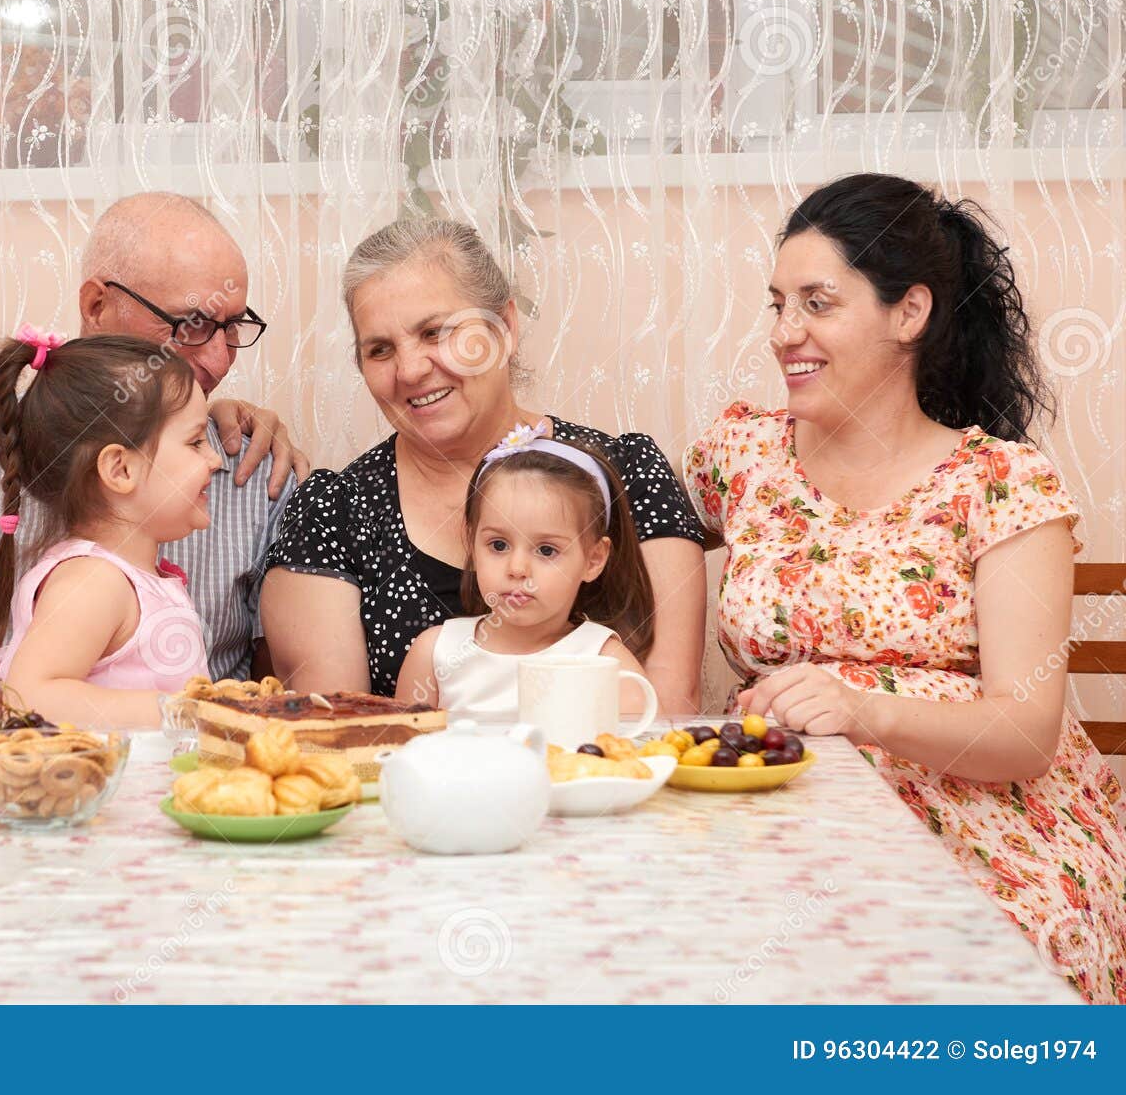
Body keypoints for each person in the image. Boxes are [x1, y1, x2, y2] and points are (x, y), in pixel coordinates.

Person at [685, 172, 1125, 1003]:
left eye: (818, 303)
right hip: (788, 807)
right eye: (777, 304)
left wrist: (862, 711)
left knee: (975, 973)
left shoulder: (998, 483)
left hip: (982, 821)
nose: (786, 333)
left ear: (909, 314)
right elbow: (631, 552)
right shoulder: (740, 456)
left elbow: (1027, 733)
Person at [0, 194, 305, 716]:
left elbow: (277, 679)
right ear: (96, 305)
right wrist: (16, 733)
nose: (216, 359)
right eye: (191, 324)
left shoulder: (252, 466)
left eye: (233, 327)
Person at [261, 218, 706, 709]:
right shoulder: (334, 512)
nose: (409, 370)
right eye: (380, 349)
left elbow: (667, 713)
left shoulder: (621, 475)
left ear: (505, 328)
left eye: (435, 332)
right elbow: (339, 732)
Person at [0, 333, 220, 726]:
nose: (214, 459)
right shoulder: (94, 581)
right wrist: (189, 713)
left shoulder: (125, 577)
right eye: (196, 442)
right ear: (120, 470)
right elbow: (28, 698)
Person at [395, 421, 654, 723]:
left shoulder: (605, 662)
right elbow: (401, 755)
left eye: (546, 550)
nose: (517, 569)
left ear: (593, 560)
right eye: (499, 545)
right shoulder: (434, 653)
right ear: (472, 543)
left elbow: (633, 759)